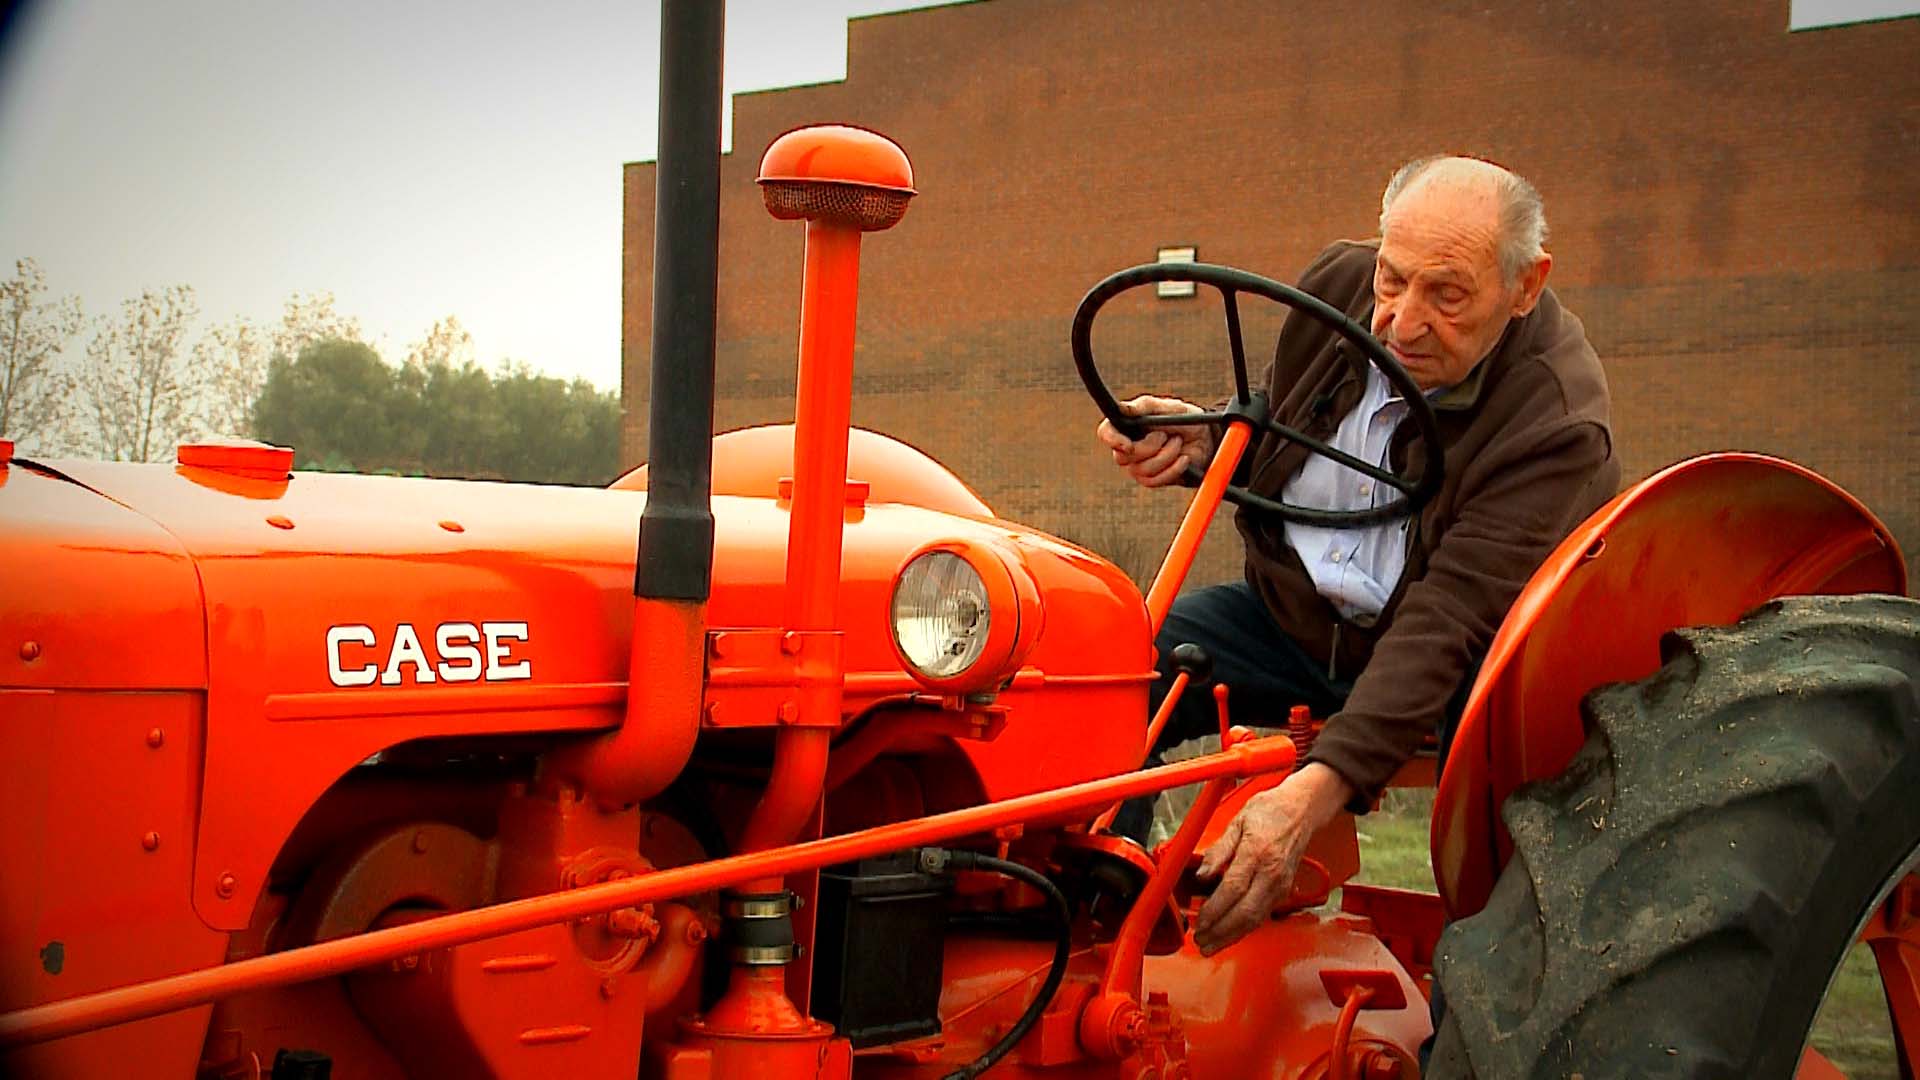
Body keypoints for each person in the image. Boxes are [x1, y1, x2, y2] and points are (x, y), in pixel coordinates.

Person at [1097, 156, 1617, 956]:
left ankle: (1474, 1019)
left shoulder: (1553, 421)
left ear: (1525, 285)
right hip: (1296, 624)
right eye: (1393, 279)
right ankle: (1100, 921)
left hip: (1459, 671)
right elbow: (1286, 436)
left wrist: (1313, 794)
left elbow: (1450, 620)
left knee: (1507, 856)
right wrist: (1208, 441)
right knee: (1117, 671)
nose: (1402, 323)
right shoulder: (1336, 291)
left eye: (1446, 295)